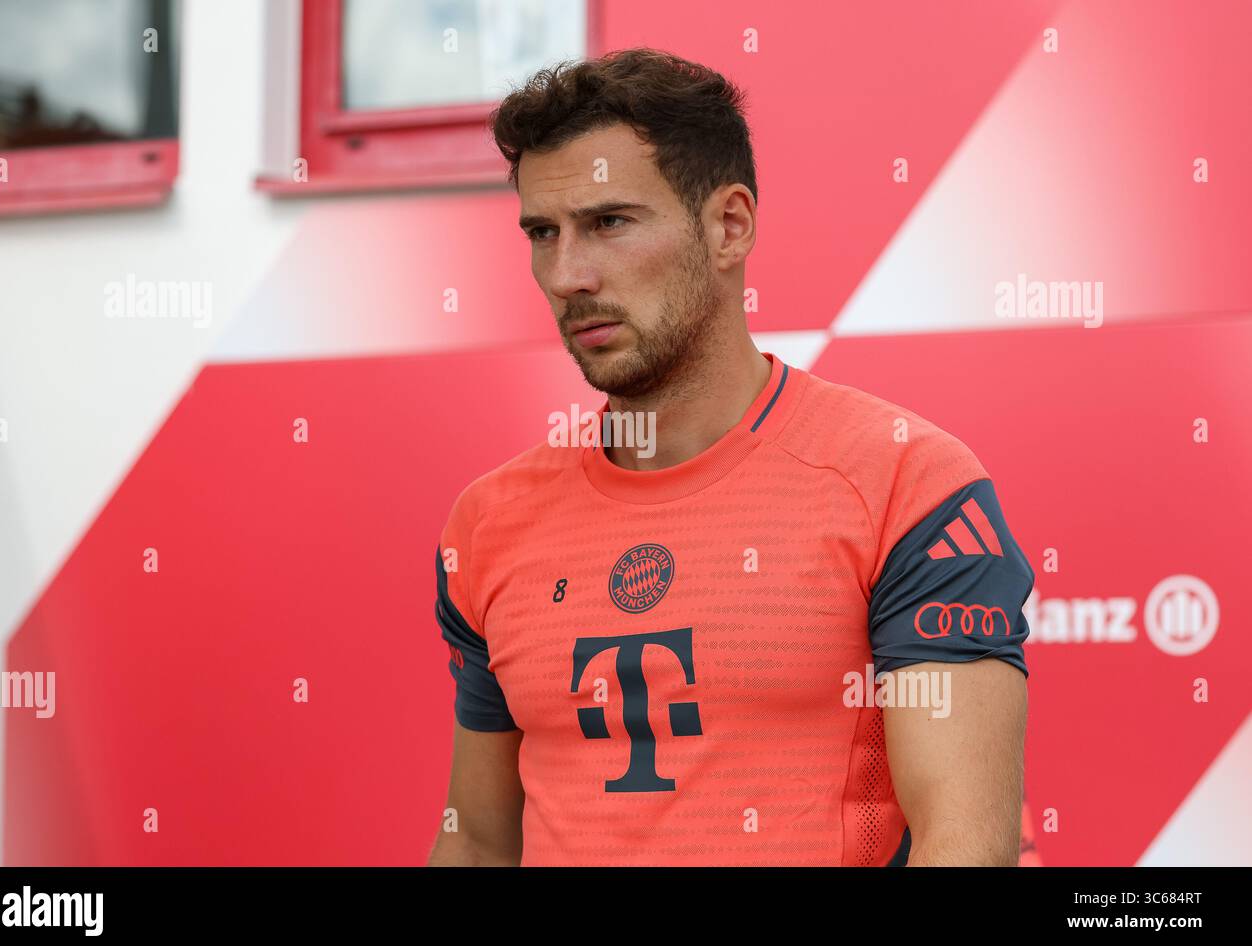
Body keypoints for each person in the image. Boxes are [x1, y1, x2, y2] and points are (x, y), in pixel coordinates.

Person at [428, 48, 1034, 866]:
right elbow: (477, 843)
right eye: (544, 232)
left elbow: (964, 845)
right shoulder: (489, 520)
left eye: (609, 222)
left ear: (729, 225)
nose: (568, 274)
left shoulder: (908, 483)